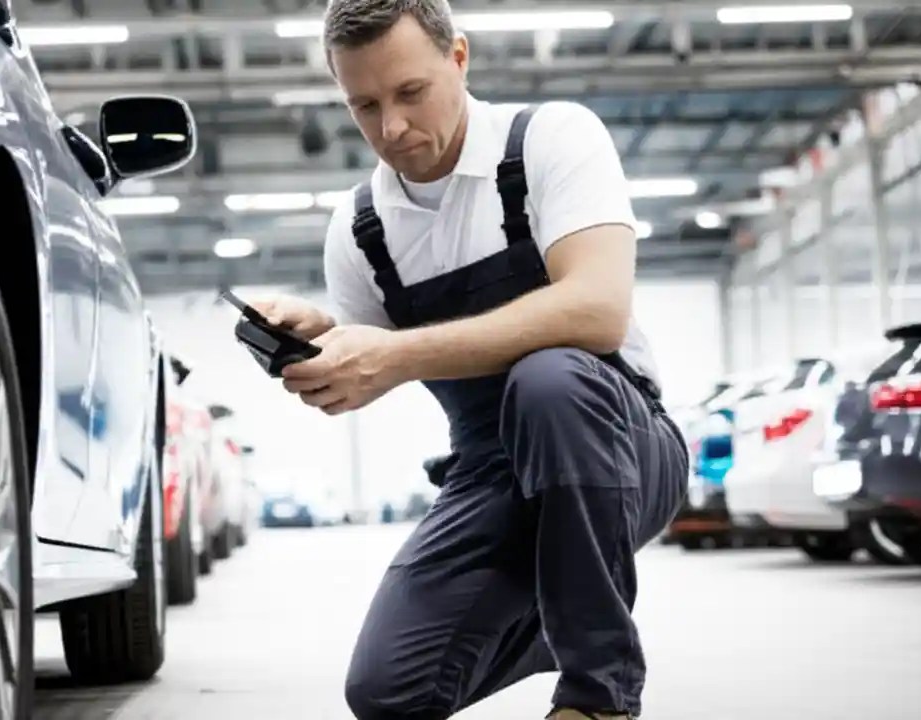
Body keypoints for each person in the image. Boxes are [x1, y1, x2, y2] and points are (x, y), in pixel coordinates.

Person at [250, 1, 689, 718]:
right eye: (363, 105)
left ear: (458, 57)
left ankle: (598, 692)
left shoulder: (551, 139)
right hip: (494, 468)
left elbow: (597, 311)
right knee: (387, 691)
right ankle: (565, 599)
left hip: (619, 442)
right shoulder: (361, 229)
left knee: (551, 378)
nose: (390, 128)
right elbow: (368, 367)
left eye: (410, 93)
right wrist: (321, 342)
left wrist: (395, 352)